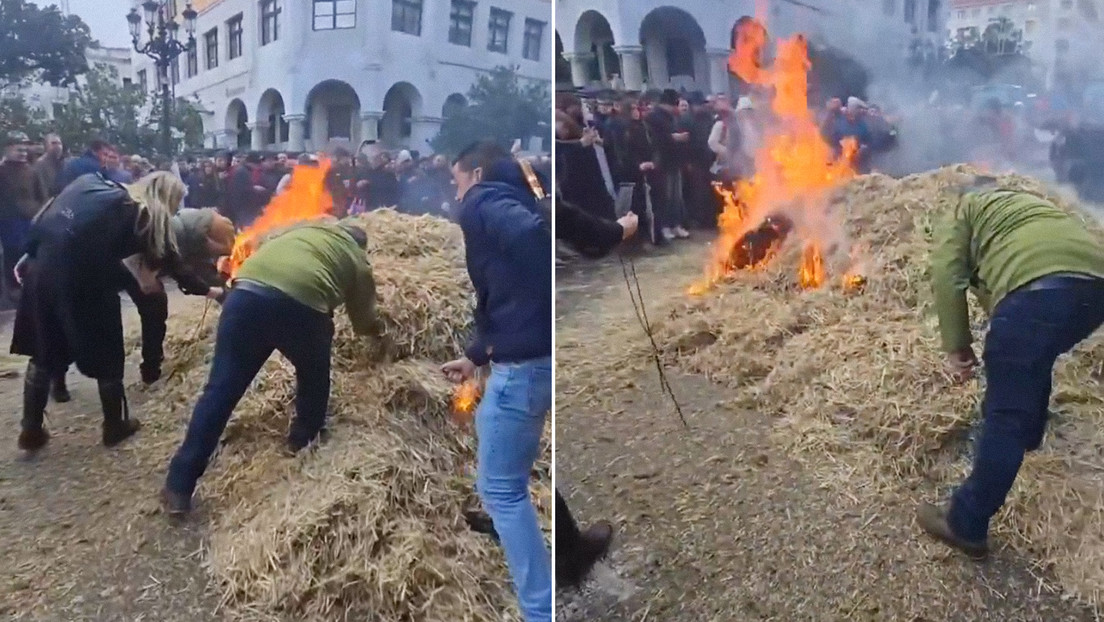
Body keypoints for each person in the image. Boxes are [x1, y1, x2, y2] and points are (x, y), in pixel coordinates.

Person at [917, 180, 1104, 559]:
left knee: (1005, 413)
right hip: (1094, 287)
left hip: (1038, 287)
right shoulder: (1030, 206)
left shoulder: (964, 208)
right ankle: (1031, 434)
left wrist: (957, 345)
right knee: (1032, 353)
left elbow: (946, 273)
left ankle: (965, 523)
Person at [161, 221, 382, 515]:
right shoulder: (356, 258)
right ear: (360, 246)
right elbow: (363, 319)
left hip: (244, 298)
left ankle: (178, 485)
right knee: (314, 377)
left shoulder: (300, 231)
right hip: (301, 311)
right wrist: (378, 333)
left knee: (221, 391)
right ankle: (303, 440)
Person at [441, 141, 552, 622]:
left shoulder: (484, 201)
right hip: (532, 359)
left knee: (503, 491)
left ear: (477, 172)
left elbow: (533, 240)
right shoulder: (520, 197)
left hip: (523, 370)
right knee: (503, 477)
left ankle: (539, 610)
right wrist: (477, 354)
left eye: (456, 179)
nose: (455, 190)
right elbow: (505, 289)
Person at [10, 171, 198, 451]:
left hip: (42, 270)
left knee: (43, 348)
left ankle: (31, 429)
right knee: (107, 353)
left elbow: (48, 214)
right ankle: (114, 426)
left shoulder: (88, 182)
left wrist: (29, 254)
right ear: (167, 199)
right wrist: (205, 289)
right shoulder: (141, 214)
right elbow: (167, 262)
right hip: (85, 284)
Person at [0, 132, 47, 300]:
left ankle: (32, 285)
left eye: (24, 150)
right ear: (7, 149)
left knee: (32, 253)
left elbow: (42, 195)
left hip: (31, 219)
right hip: (9, 221)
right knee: (12, 254)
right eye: (18, 149)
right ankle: (14, 288)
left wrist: (42, 212)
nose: (22, 153)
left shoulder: (32, 171)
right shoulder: (2, 171)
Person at [31, 133, 65, 203]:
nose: (57, 146)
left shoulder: (65, 163)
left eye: (59, 143)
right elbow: (43, 191)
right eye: (54, 143)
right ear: (46, 146)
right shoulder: (40, 165)